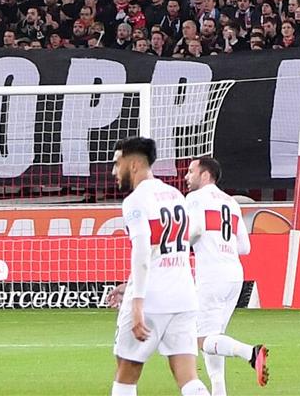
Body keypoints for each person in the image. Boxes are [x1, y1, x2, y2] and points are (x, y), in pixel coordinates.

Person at [114, 137, 210, 396]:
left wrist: (136, 300)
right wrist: (130, 282)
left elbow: (144, 250)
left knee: (126, 374)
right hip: (183, 296)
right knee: (188, 378)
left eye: (117, 163)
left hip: (151, 300)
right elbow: (170, 245)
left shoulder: (135, 201)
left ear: (133, 164)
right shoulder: (176, 195)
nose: (114, 171)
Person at [184, 157, 269, 393]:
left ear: (205, 175)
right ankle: (219, 391)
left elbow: (194, 231)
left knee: (201, 340)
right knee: (214, 338)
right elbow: (245, 247)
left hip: (211, 275)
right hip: (234, 275)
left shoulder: (194, 198)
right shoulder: (231, 203)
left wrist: (180, 244)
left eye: (191, 172)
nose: (186, 177)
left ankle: (250, 352)